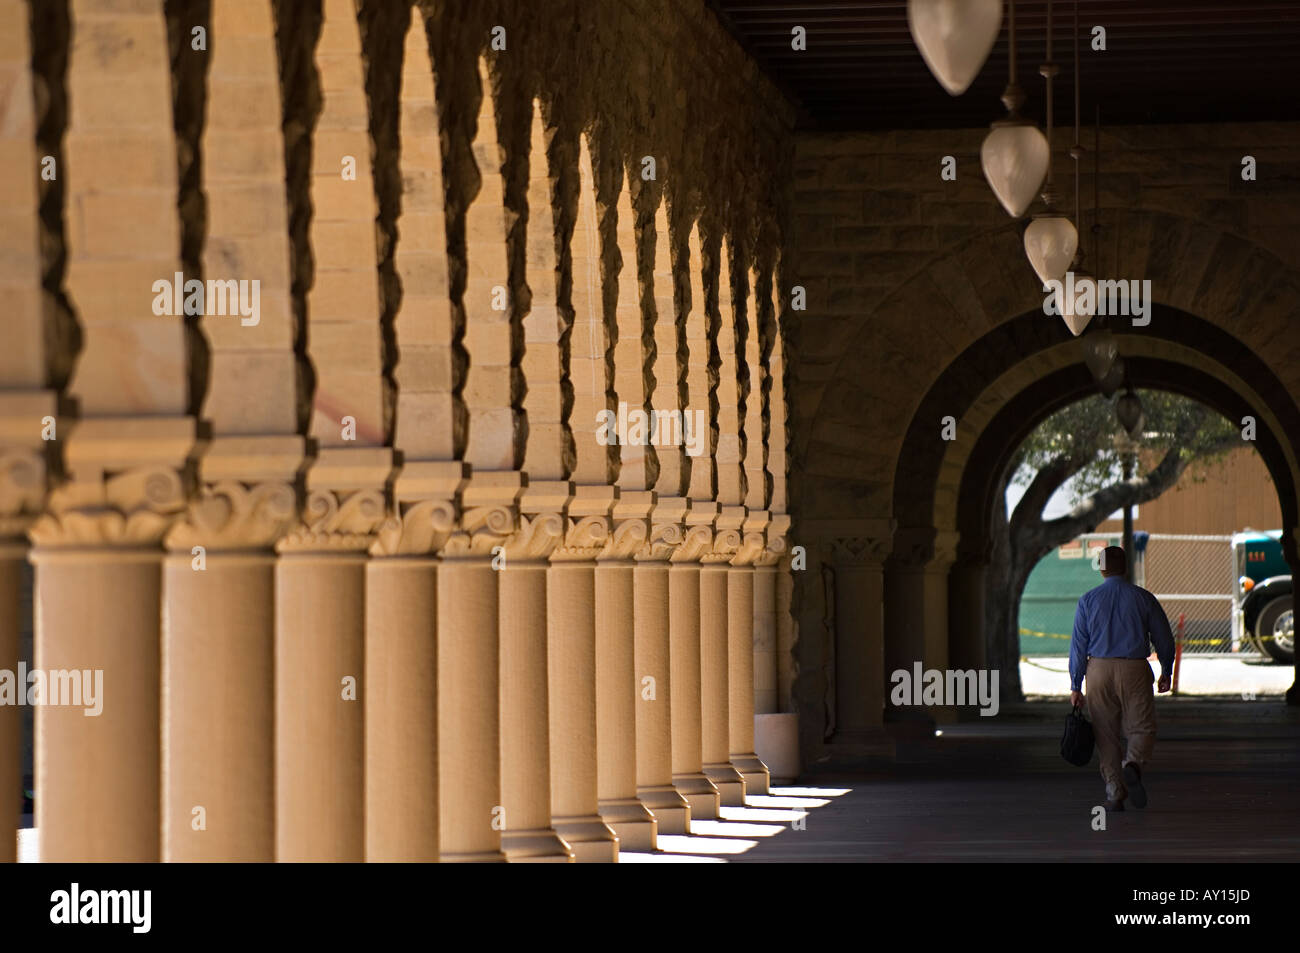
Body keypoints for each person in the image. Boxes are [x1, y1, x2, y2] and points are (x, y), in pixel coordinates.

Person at [1069, 545, 1174, 811]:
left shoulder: (1087, 600)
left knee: (1105, 733)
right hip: (1134, 668)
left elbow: (1078, 646)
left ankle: (1115, 791)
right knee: (1142, 726)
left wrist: (1075, 685)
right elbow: (1163, 637)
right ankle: (1134, 764)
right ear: (1125, 567)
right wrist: (1166, 669)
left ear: (1101, 568)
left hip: (1098, 670)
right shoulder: (1143, 598)